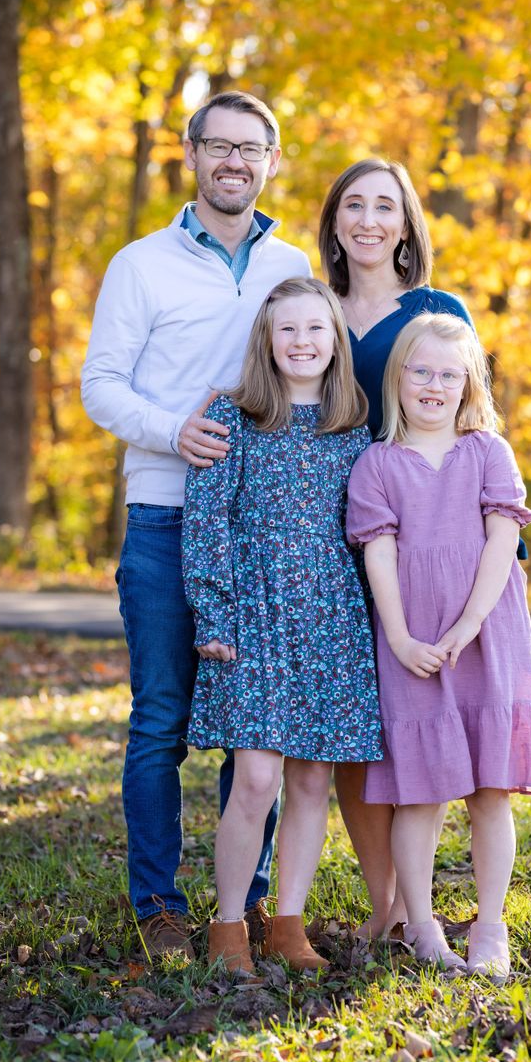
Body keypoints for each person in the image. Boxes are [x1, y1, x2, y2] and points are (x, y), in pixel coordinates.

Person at [81, 92, 310, 961]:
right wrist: (171, 430)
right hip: (163, 515)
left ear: (272, 161)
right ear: (191, 153)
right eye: (219, 146)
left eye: (251, 149)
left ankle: (241, 904)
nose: (234, 162)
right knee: (161, 723)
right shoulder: (140, 264)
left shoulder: (291, 265)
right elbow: (101, 384)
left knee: (255, 728)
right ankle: (158, 907)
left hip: (261, 532)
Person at [346, 313, 531, 977]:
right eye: (421, 371)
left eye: (448, 373)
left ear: (467, 383)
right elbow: (379, 556)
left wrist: (468, 625)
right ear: (397, 378)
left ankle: (490, 925)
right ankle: (423, 925)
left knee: (490, 790)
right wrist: (401, 638)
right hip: (412, 643)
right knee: (421, 791)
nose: (433, 385)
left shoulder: (488, 451)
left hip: (487, 635)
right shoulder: (377, 465)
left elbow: (502, 543)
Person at [182, 277, 382, 974]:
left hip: (330, 620)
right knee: (256, 778)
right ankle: (228, 926)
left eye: (316, 329)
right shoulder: (234, 417)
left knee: (311, 782)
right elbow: (206, 520)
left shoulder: (350, 427)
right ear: (267, 340)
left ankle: (288, 928)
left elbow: (368, 530)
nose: (302, 342)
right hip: (255, 616)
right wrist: (213, 610)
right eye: (288, 329)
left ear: (335, 341)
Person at [317, 158, 474, 940]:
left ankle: (418, 905)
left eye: (386, 206)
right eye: (355, 205)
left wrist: (485, 542)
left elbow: (470, 420)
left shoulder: (438, 310)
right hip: (322, 535)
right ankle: (388, 906)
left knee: (417, 715)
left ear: (407, 224)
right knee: (354, 727)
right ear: (334, 221)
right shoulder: (312, 307)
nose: (369, 220)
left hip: (421, 539)